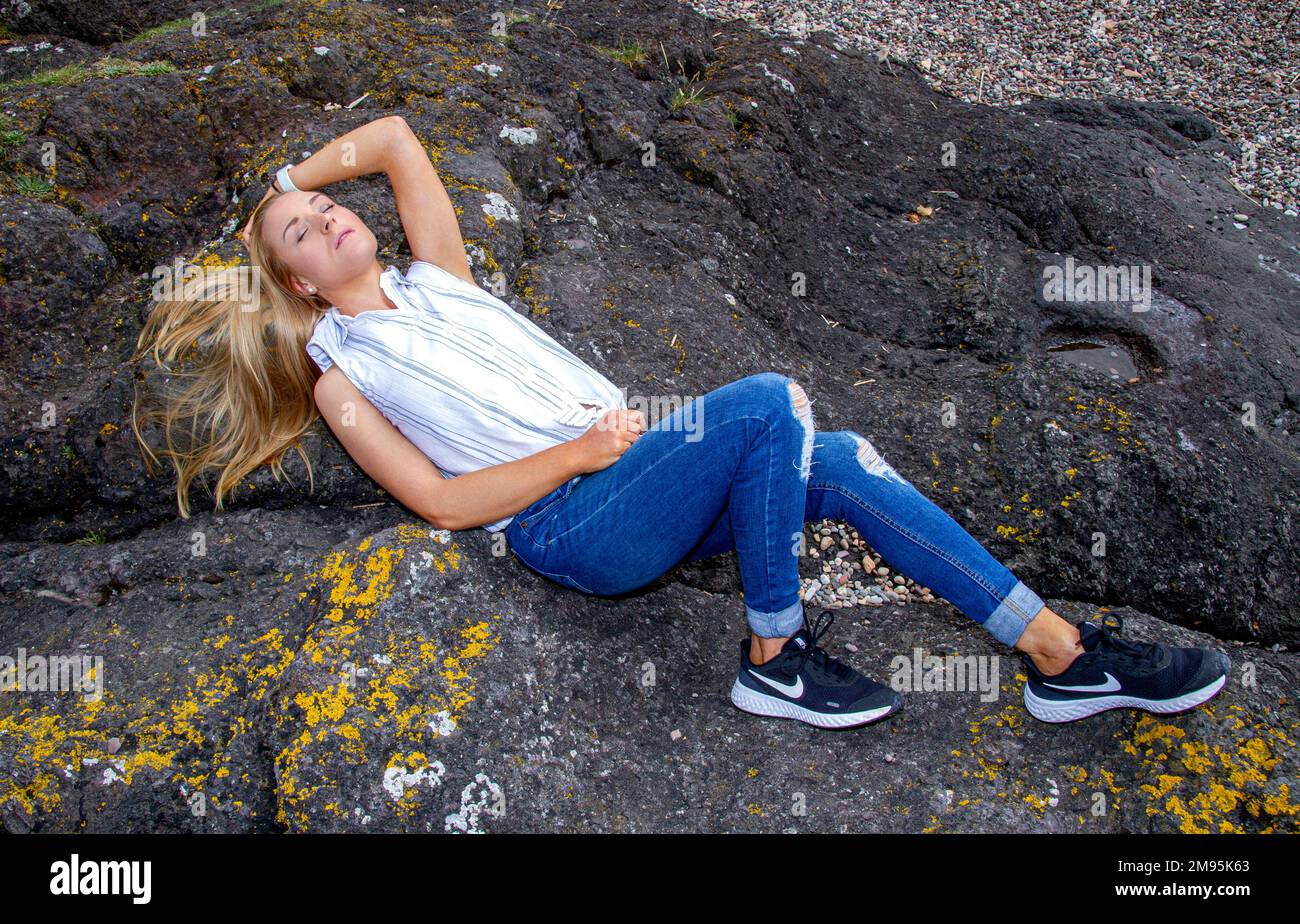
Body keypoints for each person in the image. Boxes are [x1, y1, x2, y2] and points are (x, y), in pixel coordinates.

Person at [131, 116, 1230, 731]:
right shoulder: (337, 374)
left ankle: (1061, 653)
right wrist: (575, 453)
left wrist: (279, 177)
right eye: (304, 236)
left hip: (632, 476)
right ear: (303, 289)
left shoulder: (442, 281)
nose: (330, 218)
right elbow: (436, 502)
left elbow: (396, 140)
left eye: (328, 209)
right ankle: (773, 653)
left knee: (834, 460)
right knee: (764, 403)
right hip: (569, 525)